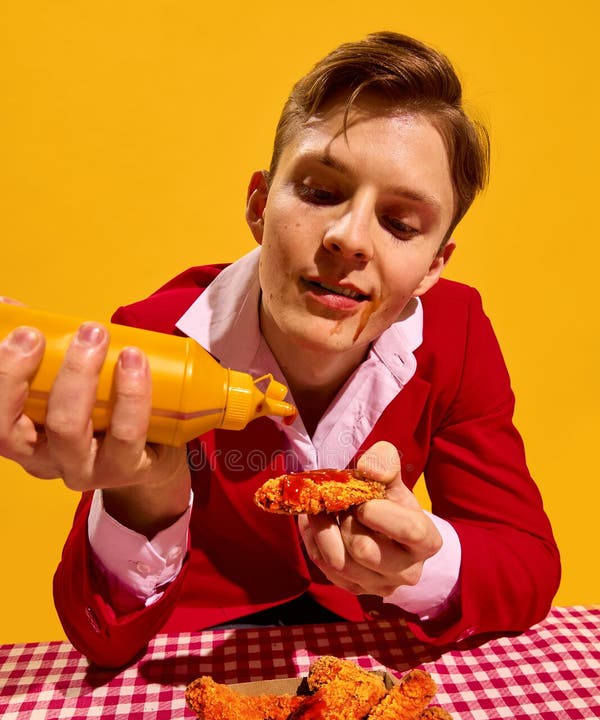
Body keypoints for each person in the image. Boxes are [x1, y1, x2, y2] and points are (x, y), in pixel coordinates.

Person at [0, 32, 560, 668]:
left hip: (364, 646)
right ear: (260, 206)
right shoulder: (150, 341)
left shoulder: (456, 332)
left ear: (434, 265)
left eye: (401, 224)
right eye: (320, 193)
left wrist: (419, 563)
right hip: (194, 654)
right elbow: (101, 636)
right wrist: (146, 491)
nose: (350, 238)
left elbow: (527, 565)